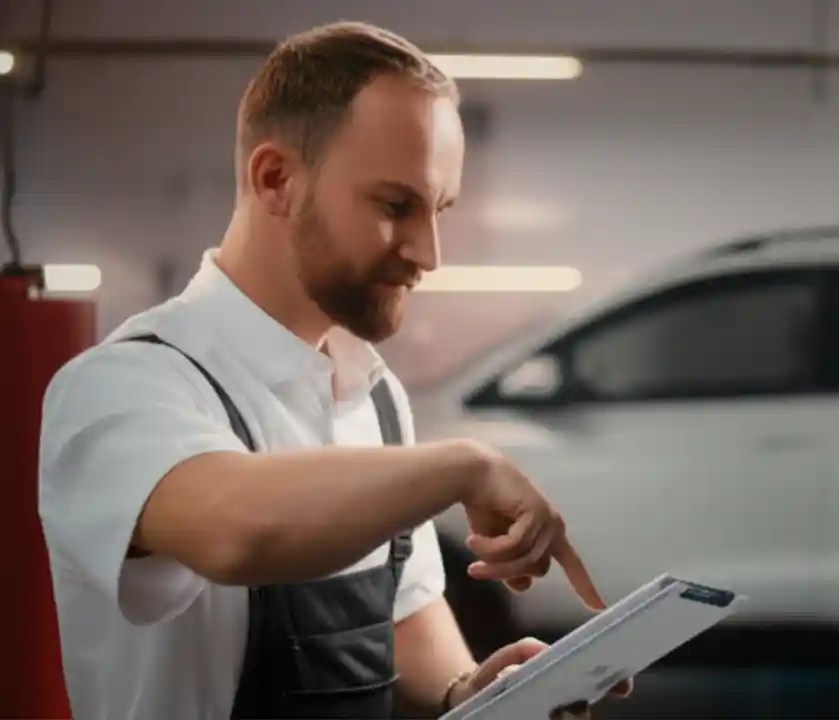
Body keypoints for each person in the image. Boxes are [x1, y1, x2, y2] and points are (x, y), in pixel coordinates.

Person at [37, 21, 629, 720]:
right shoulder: (121, 387)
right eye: (394, 205)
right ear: (276, 179)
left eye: (439, 209)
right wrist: (463, 466)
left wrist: (471, 690)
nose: (429, 252)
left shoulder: (375, 400)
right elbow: (237, 531)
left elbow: (401, 611)